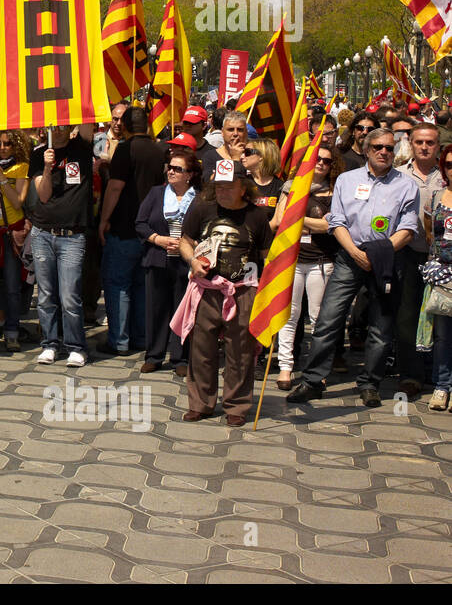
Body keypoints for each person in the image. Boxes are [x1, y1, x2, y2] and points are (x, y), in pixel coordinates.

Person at [287, 127, 421, 407]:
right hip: (350, 256)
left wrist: (379, 252)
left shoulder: (407, 185)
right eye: (378, 148)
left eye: (388, 148)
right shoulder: (347, 180)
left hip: (386, 259)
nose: (384, 152)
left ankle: (370, 383)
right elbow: (336, 221)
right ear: (367, 148)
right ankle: (313, 381)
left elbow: (408, 229)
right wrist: (356, 253)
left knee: (381, 328)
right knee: (327, 320)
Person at [175, 160, 272, 425]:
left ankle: (237, 406)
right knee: (201, 349)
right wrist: (193, 261)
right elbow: (185, 241)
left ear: (243, 188)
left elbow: (266, 256)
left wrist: (267, 290)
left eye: (228, 187)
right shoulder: (202, 208)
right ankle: (200, 403)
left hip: (242, 290)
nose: (222, 191)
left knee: (240, 351)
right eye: (218, 186)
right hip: (206, 288)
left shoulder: (257, 216)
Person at [271, 144, 341, 390]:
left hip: (321, 263)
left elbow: (327, 226)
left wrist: (297, 219)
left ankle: (316, 369)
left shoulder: (334, 191)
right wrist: (303, 221)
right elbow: (279, 220)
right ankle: (286, 368)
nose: (321, 163)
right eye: (317, 159)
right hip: (292, 260)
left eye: (327, 160)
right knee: (288, 316)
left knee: (319, 319)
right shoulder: (292, 187)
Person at [98, 106, 166, 356]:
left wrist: (104, 220)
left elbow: (115, 188)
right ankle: (141, 338)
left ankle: (119, 341)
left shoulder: (126, 149)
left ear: (124, 126)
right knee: (141, 286)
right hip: (151, 231)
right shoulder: (160, 150)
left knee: (118, 285)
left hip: (124, 227)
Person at [27, 124, 96, 367]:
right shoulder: (38, 153)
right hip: (43, 233)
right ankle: (49, 344)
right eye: (53, 127)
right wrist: (47, 168)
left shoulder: (83, 148)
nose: (58, 130)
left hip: (72, 235)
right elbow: (43, 195)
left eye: (63, 126)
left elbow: (89, 117)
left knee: (70, 296)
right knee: (46, 295)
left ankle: (76, 346)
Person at [136, 148, 201, 375]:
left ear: (190, 174)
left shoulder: (200, 197)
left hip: (186, 263)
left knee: (182, 310)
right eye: (169, 167)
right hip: (158, 259)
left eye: (177, 169)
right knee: (156, 309)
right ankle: (153, 355)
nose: (171, 172)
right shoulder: (156, 193)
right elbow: (141, 223)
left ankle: (180, 358)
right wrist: (159, 239)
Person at [394, 122, 446, 395]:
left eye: (430, 143)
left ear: (438, 146)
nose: (424, 147)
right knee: (408, 314)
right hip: (408, 254)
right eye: (419, 142)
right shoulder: (398, 176)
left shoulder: (445, 177)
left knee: (441, 318)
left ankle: (437, 373)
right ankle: (410, 372)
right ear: (410, 143)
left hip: (443, 260)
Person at [0, 128, 30, 350]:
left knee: (12, 286)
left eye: (8, 144)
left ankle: (12, 329)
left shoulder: (21, 168)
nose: (3, 148)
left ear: (16, 146)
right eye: (0, 144)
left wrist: (2, 180)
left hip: (11, 233)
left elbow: (18, 202)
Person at [426, 151, 452, 410]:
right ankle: (442, 386)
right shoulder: (436, 197)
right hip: (443, 274)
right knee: (443, 335)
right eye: (450, 165)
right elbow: (428, 229)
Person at [243, 137, 282, 226]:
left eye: (247, 152)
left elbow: (276, 222)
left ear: (261, 156)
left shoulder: (280, 187)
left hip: (268, 237)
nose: (242, 156)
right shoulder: (242, 182)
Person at [200, 109, 247, 178]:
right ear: (222, 132)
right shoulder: (210, 157)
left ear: (246, 132)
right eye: (230, 129)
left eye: (240, 130)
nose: (235, 133)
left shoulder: (254, 155)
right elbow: (210, 185)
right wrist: (235, 160)